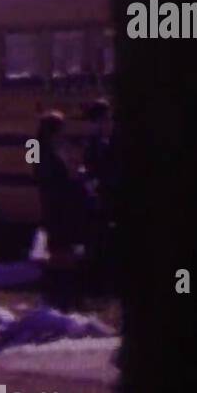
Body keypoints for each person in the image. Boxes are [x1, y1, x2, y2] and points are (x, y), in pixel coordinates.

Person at [34, 110, 94, 310]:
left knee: (59, 249)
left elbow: (32, 166)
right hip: (60, 207)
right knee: (63, 251)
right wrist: (74, 177)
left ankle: (58, 293)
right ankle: (62, 294)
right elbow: (55, 178)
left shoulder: (38, 148)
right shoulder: (49, 152)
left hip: (51, 205)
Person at [81, 98, 119, 296]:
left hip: (113, 196)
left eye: (109, 120)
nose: (108, 124)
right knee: (99, 241)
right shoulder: (93, 145)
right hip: (102, 198)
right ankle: (99, 283)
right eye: (103, 120)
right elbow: (91, 169)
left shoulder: (115, 142)